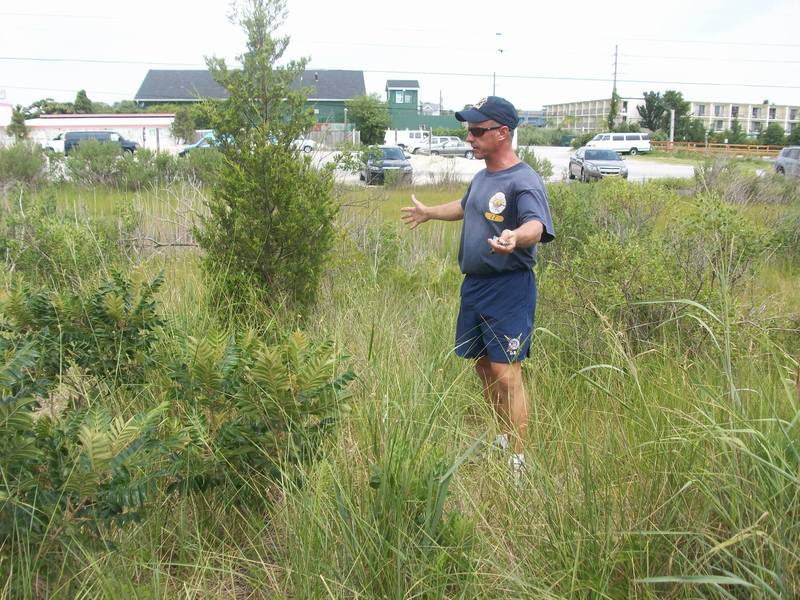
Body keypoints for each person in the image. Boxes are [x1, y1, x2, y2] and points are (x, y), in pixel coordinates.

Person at [401, 96, 555, 481]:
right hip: (475, 288)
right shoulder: (483, 177)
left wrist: (515, 237)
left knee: (506, 373)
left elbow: (536, 225)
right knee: (483, 368)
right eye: (468, 130)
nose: (469, 137)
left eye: (477, 130)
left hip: (509, 288)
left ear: (502, 133)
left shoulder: (524, 179)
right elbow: (466, 205)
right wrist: (429, 212)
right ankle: (503, 437)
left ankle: (519, 464)